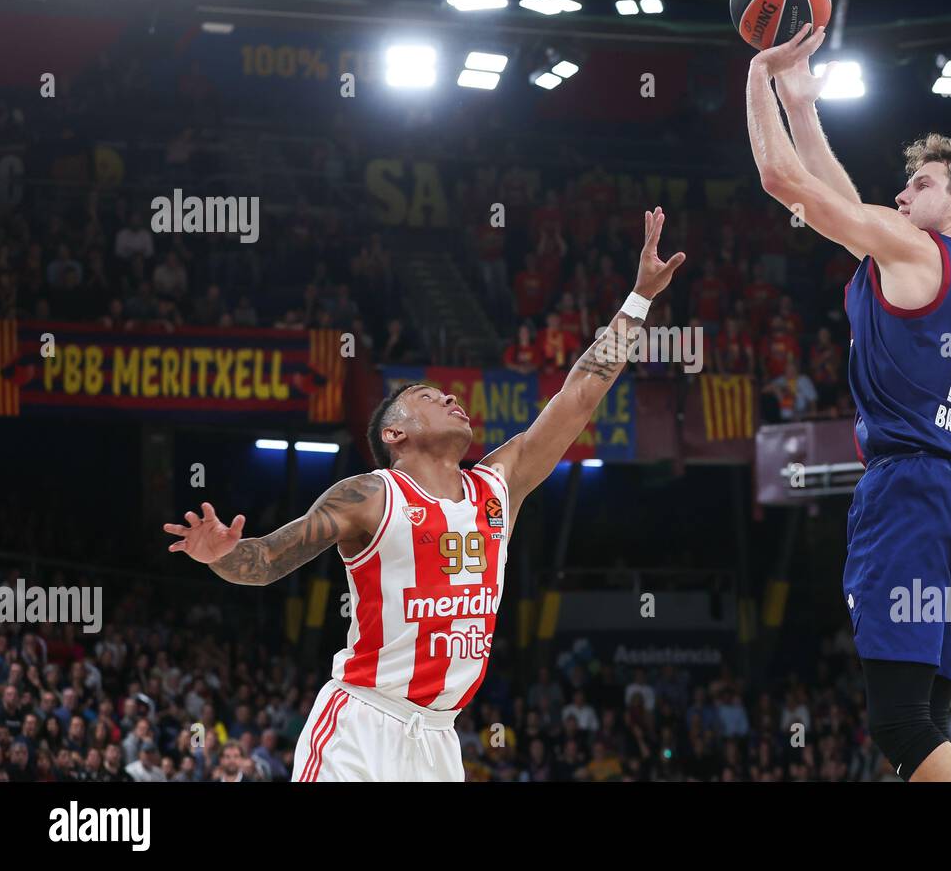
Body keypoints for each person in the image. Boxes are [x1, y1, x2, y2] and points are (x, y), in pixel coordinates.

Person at [163, 208, 684, 782]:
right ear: (395, 433)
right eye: (432, 397)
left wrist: (637, 299)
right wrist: (220, 554)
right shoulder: (367, 496)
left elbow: (582, 394)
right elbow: (263, 562)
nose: (453, 400)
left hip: (439, 739)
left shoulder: (498, 485)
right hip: (362, 723)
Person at [746, 24, 951, 782]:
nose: (899, 195)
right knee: (926, 722)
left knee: (898, 725)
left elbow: (783, 182)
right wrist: (801, 103)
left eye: (920, 185)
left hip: (913, 493)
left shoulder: (911, 250)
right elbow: (844, 198)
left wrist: (759, 75)